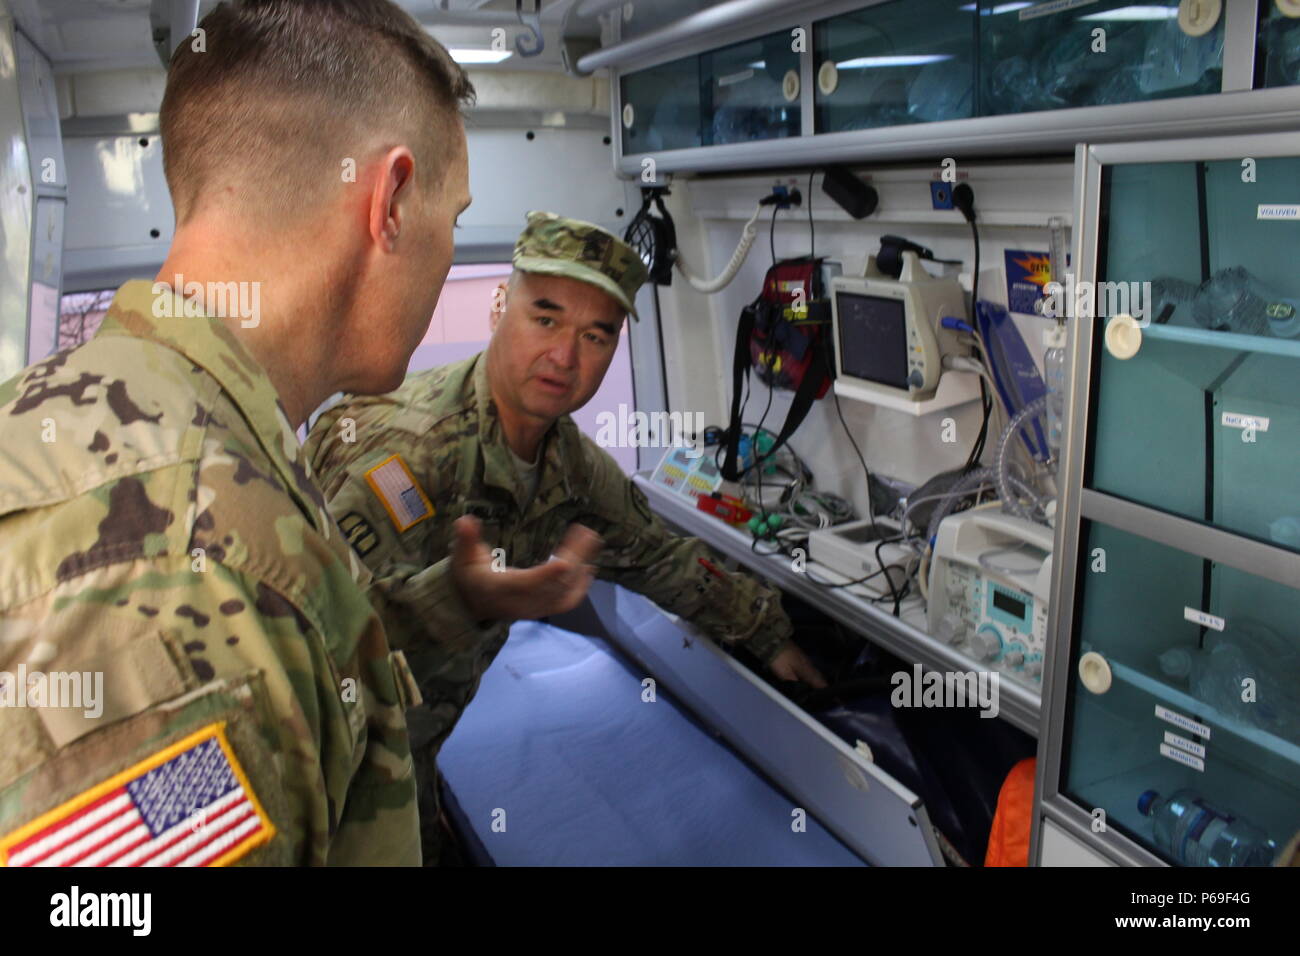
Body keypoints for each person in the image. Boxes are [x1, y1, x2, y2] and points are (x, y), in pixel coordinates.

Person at [0, 0, 473, 867]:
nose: (454, 252)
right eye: (457, 215)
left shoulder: (60, 409)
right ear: (393, 201)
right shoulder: (201, 565)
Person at [304, 210, 827, 864]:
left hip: (416, 751)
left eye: (596, 336)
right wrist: (465, 600)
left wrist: (769, 632)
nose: (564, 357)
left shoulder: (573, 467)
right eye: (545, 318)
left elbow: (658, 554)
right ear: (500, 305)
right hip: (329, 784)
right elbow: (323, 650)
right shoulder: (404, 453)